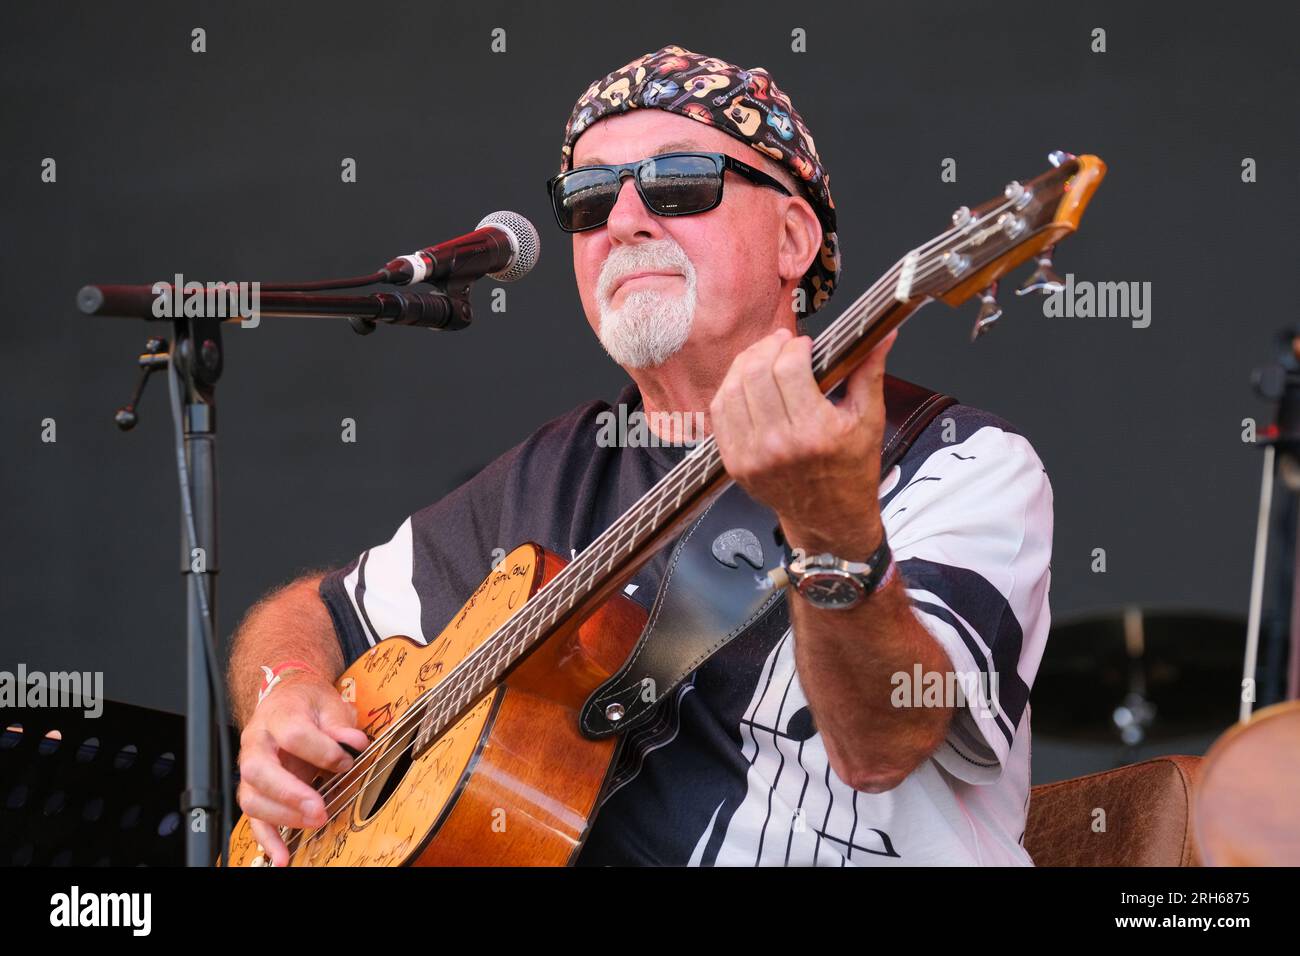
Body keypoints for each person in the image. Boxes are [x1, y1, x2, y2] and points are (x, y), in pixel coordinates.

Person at [227, 44, 1053, 867]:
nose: (623, 220)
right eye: (588, 201)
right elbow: (316, 610)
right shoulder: (550, 472)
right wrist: (287, 686)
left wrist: (825, 521)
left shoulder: (956, 463)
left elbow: (885, 741)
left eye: (680, 183)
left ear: (793, 239)